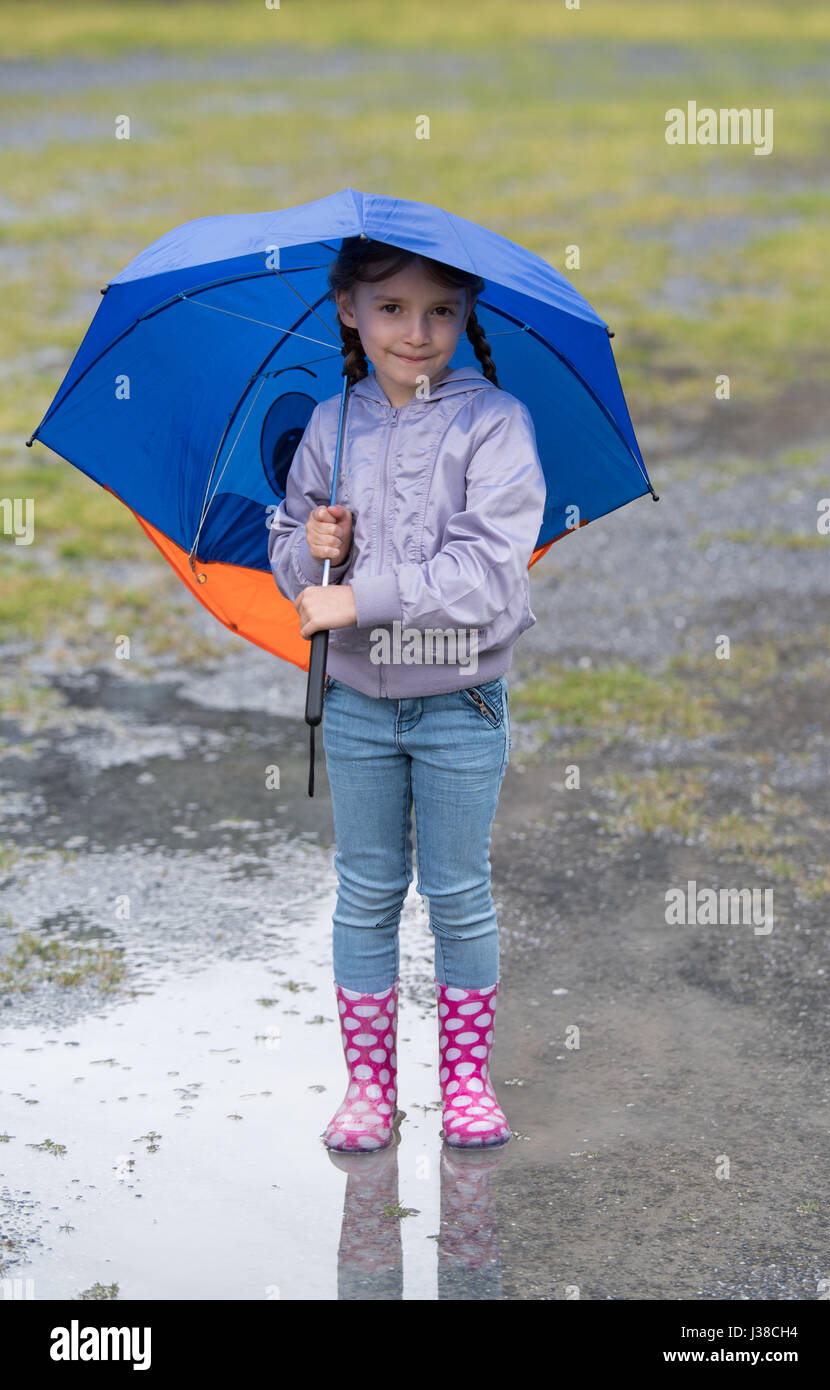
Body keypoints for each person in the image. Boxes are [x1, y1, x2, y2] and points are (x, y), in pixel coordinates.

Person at [268, 234, 547, 1152]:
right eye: (391, 308)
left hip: (459, 702)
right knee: (367, 891)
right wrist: (317, 551)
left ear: (466, 314)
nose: (418, 332)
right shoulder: (328, 424)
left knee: (460, 893)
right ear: (349, 310)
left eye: (441, 310)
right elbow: (289, 556)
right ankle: (368, 1089)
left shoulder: (494, 424)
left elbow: (488, 575)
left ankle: (466, 1080)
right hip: (353, 703)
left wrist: (365, 592)